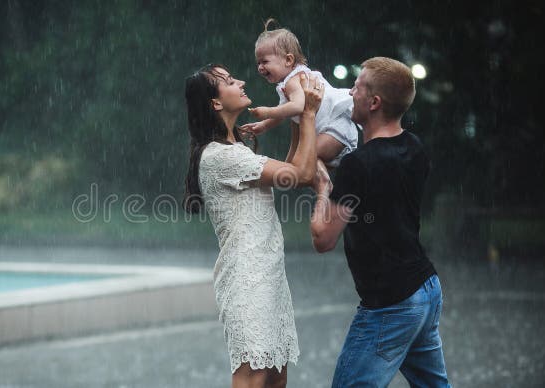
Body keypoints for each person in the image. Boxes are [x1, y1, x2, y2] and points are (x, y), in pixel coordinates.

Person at [309, 57, 451, 387]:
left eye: (357, 87)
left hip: (392, 302)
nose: (349, 92)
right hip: (426, 290)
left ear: (374, 103)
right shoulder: (415, 148)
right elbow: (379, 186)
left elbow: (323, 238)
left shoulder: (359, 165)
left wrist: (323, 188)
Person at [184, 64, 324, 387]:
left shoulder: (236, 149)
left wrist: (296, 113)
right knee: (254, 377)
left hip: (268, 274)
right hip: (247, 278)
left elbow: (291, 168)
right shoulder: (220, 156)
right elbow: (300, 176)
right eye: (230, 81)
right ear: (215, 103)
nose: (242, 81)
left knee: (275, 376)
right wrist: (308, 115)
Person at [241, 19, 359, 168]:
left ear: (288, 60)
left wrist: (267, 112)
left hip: (334, 130)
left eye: (265, 61)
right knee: (305, 162)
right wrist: (264, 125)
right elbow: (284, 110)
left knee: (304, 160)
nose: (260, 67)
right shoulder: (291, 80)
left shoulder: (294, 80)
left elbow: (296, 107)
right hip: (332, 131)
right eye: (258, 63)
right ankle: (323, 183)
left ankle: (323, 183)